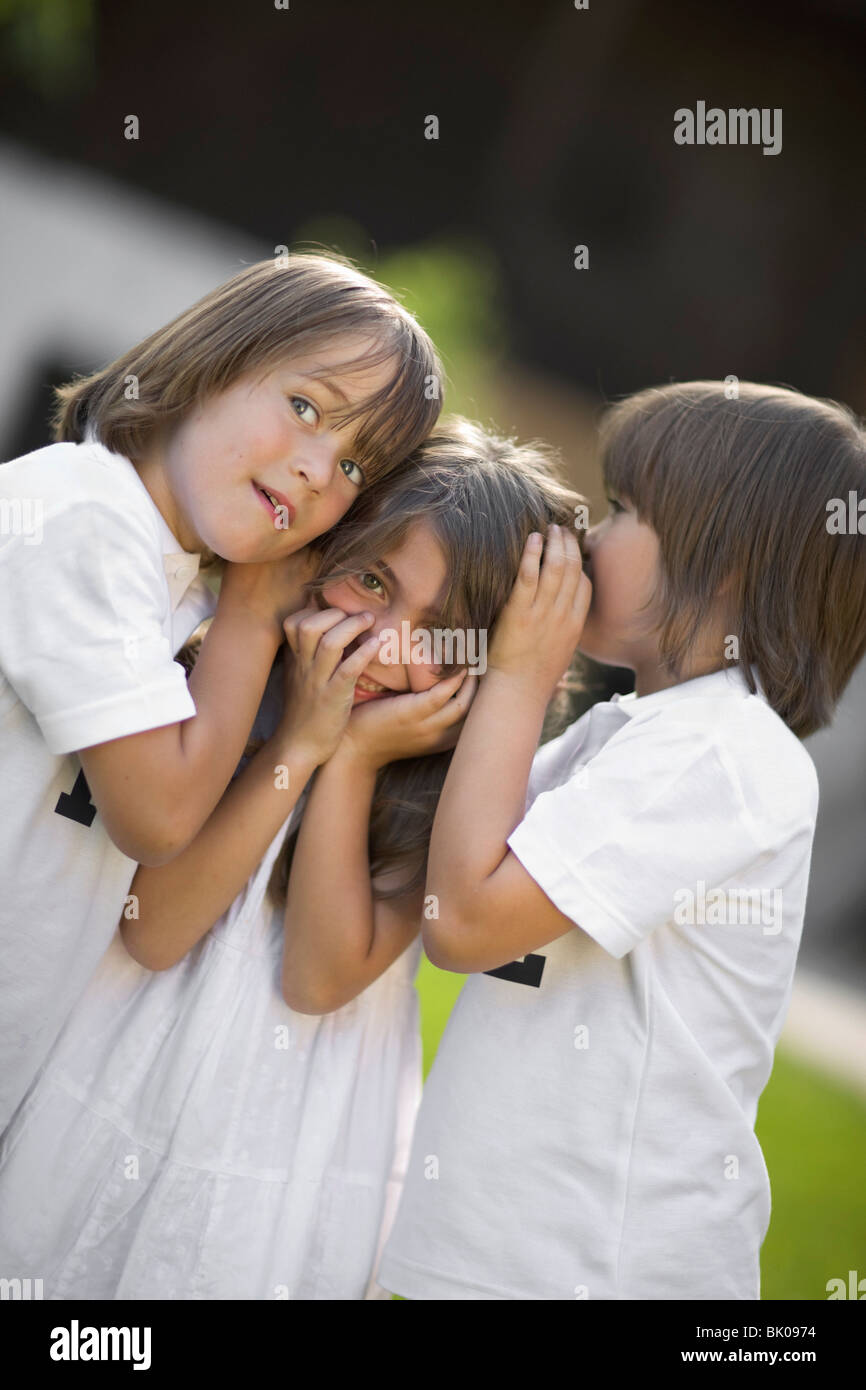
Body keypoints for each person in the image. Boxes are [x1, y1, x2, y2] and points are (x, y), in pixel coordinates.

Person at [0, 418, 584, 1299]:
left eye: (442, 631)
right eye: (374, 581)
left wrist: (349, 760)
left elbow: (317, 979)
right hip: (120, 1077)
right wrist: (301, 744)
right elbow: (153, 931)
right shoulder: (223, 684)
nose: (384, 646)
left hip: (282, 1139)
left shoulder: (455, 795)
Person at [378, 381, 866, 1300]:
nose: (590, 539)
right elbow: (445, 847)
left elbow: (466, 920)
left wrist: (522, 676)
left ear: (722, 562)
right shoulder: (639, 733)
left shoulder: (717, 751)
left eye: (623, 510)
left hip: (599, 1266)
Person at [0, 252, 441, 1136]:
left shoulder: (176, 580)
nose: (321, 470)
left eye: (357, 468)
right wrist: (250, 618)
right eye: (307, 408)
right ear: (214, 361)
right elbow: (158, 817)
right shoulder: (82, 518)